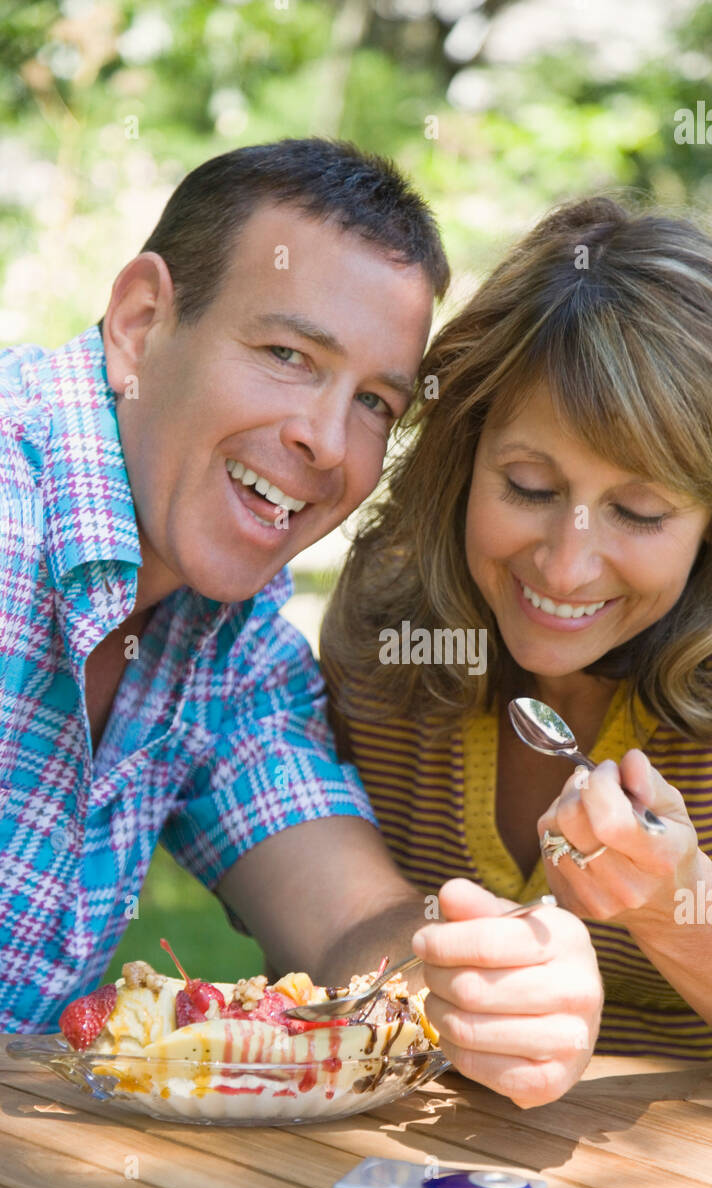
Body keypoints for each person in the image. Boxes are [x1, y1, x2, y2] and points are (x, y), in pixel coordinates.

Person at [0, 139, 603, 1109]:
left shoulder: (227, 643)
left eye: (372, 401)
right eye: (287, 356)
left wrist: (481, 979)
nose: (324, 442)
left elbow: (345, 928)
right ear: (140, 321)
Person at [321, 194, 712, 1099]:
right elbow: (321, 952)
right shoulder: (391, 617)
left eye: (640, 512)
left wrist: (680, 911)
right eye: (529, 486)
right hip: (418, 1186)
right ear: (466, 455)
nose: (568, 567)